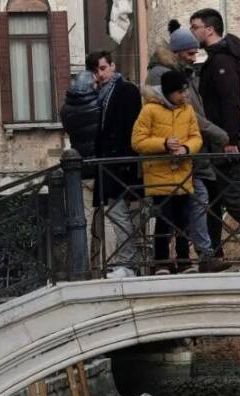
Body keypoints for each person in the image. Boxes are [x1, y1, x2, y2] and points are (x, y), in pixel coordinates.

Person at [189, 8, 240, 265]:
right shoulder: (215, 59)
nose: (192, 31)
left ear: (209, 29)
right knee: (214, 198)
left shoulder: (223, 61)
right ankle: (213, 255)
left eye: (195, 27)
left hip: (224, 141)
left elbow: (230, 103)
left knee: (234, 198)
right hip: (216, 140)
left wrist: (230, 141)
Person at [144, 23, 230, 273]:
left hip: (187, 159)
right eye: (190, 53)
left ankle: (190, 258)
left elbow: (192, 126)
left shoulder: (183, 75)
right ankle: (169, 260)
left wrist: (190, 147)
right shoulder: (161, 79)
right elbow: (141, 137)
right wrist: (166, 144)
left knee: (188, 205)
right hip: (165, 162)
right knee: (166, 212)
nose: (194, 58)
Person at [131, 70, 202, 274]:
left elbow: (196, 137)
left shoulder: (187, 110)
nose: (184, 96)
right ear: (170, 92)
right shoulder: (149, 110)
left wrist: (187, 149)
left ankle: (184, 260)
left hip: (182, 173)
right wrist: (163, 144)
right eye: (180, 92)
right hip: (159, 176)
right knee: (163, 219)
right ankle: (161, 262)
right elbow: (137, 141)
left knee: (182, 220)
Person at [85, 51, 143, 279]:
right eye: (95, 71)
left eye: (102, 69)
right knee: (119, 215)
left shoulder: (126, 90)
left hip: (122, 166)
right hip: (111, 167)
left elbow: (130, 127)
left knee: (122, 215)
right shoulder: (101, 95)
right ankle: (128, 263)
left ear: (112, 66)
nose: (99, 75)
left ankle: (128, 263)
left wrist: (125, 161)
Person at [59, 70, 99, 159]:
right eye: (95, 83)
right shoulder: (98, 105)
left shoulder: (65, 109)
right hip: (98, 157)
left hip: (77, 157)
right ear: (89, 84)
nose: (97, 85)